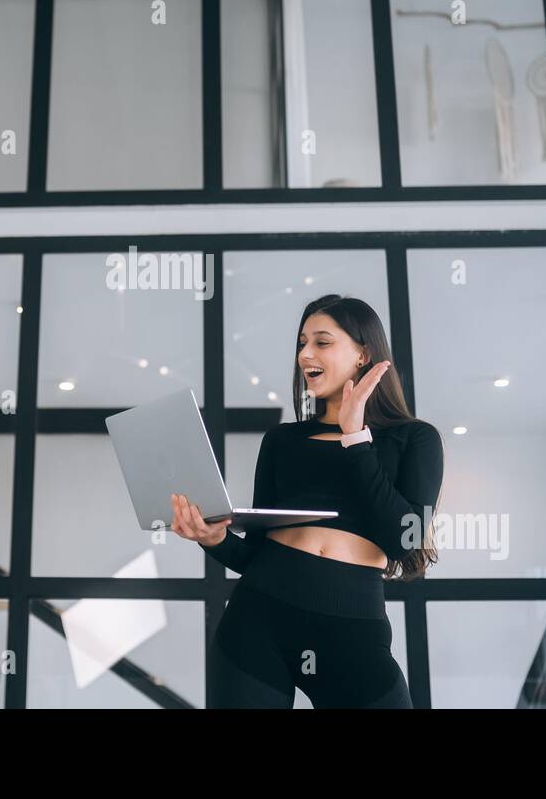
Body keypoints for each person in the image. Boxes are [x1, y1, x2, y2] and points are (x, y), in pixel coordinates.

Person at [171, 294, 444, 708]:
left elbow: (403, 540)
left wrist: (355, 439)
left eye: (322, 342)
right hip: (258, 615)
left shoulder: (415, 438)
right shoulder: (282, 440)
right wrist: (212, 539)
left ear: (363, 353)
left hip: (352, 627)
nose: (305, 354)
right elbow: (256, 554)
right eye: (301, 343)